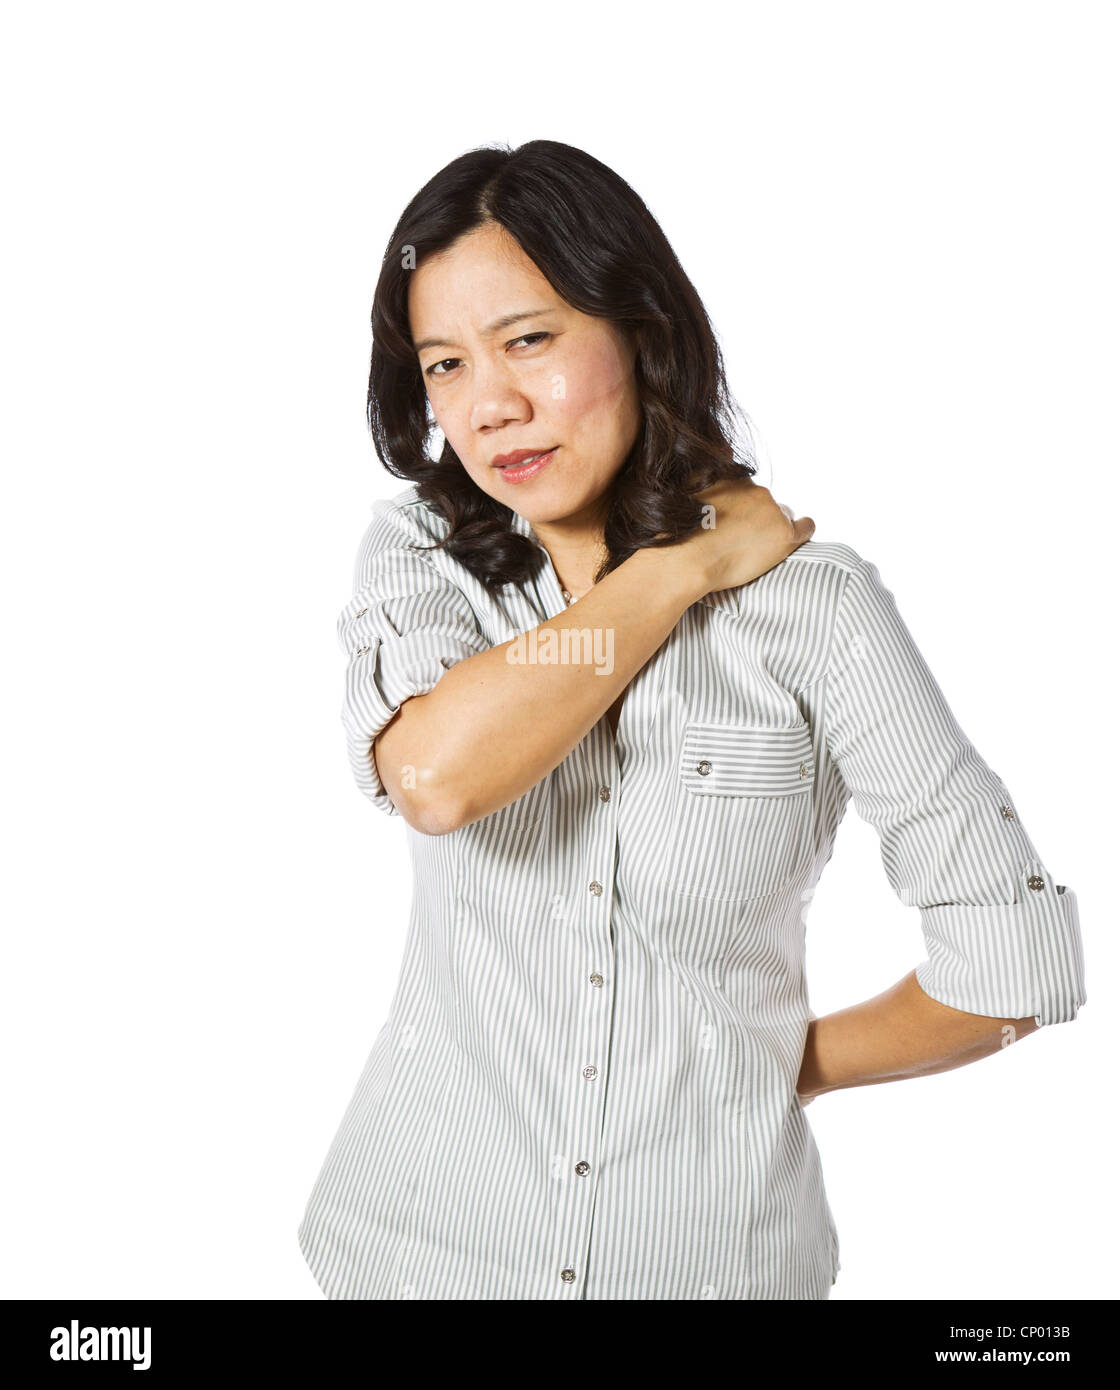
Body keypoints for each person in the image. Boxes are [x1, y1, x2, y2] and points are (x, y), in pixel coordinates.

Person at [297, 140, 1086, 1300]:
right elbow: (434, 776)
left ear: (641, 329)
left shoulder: (815, 610)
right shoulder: (423, 557)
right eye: (445, 365)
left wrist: (763, 1060)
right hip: (413, 1257)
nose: (491, 404)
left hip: (708, 1271)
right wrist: (671, 576)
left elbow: (1011, 964)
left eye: (529, 340)